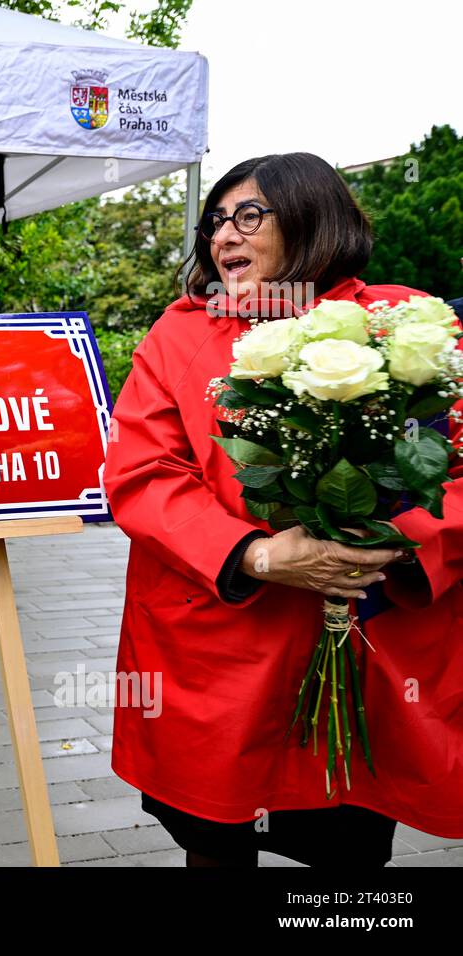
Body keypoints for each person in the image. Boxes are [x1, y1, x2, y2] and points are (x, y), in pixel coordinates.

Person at [102, 152, 463, 867]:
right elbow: (143, 473)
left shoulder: (404, 324)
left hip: (359, 638)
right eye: (216, 221)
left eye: (248, 216)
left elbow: (456, 470)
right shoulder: (179, 334)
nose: (224, 237)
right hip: (215, 644)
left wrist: (392, 546)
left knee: (346, 855)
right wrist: (253, 555)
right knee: (212, 839)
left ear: (311, 219)